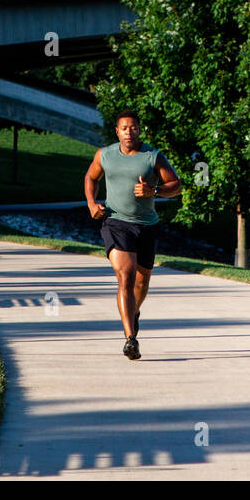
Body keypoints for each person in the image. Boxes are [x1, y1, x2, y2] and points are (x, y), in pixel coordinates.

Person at [84, 111, 182, 360]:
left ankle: (133, 312)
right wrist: (92, 204)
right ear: (117, 131)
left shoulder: (152, 156)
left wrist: (155, 190)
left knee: (142, 280)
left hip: (147, 225)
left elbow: (176, 186)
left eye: (133, 128)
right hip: (115, 222)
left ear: (139, 130)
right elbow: (91, 177)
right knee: (125, 276)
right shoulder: (104, 155)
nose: (129, 132)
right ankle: (131, 339)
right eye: (124, 128)